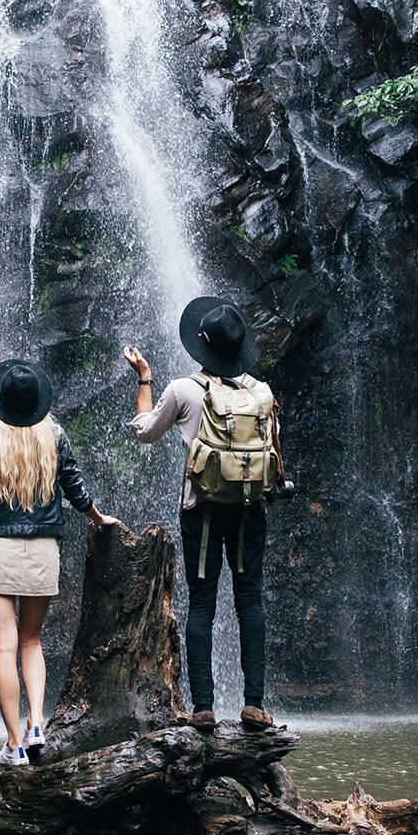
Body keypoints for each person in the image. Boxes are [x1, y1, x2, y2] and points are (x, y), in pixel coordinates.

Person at [123, 296, 287, 733]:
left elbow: (144, 433)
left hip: (203, 510)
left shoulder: (182, 390)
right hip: (251, 509)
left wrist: (145, 379)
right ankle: (254, 704)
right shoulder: (263, 393)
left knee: (202, 605)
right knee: (249, 601)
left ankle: (204, 708)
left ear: (203, 347)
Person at [0, 358, 121, 766]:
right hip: (43, 549)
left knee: (3, 645)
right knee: (31, 642)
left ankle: (13, 746)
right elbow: (76, 489)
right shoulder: (54, 437)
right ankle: (35, 726)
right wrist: (99, 519)